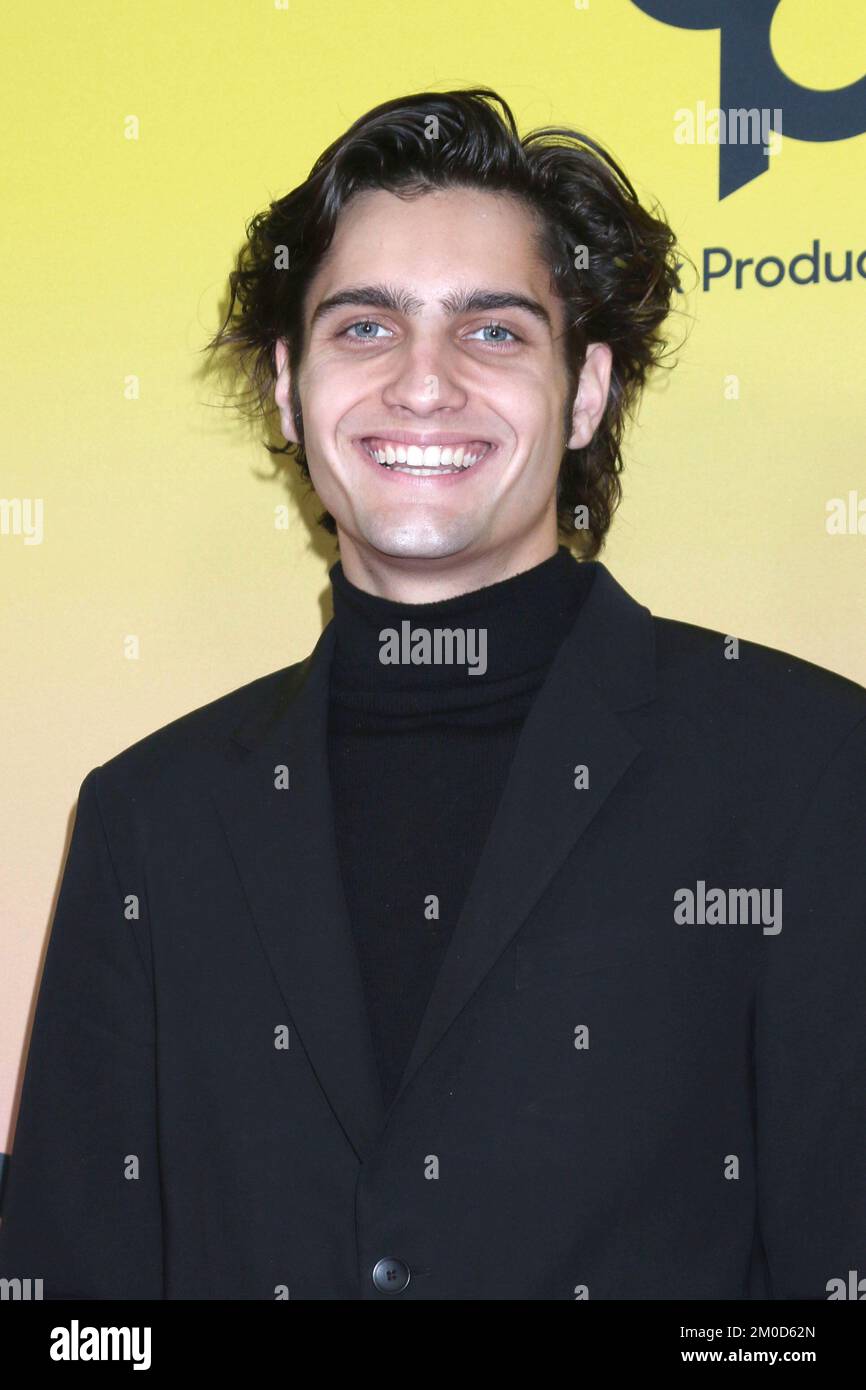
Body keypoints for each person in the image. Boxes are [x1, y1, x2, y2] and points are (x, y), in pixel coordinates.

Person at [1, 87, 864, 1300]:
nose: (423, 382)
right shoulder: (151, 818)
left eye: (493, 331)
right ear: (292, 386)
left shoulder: (809, 771)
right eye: (364, 327)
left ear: (583, 391)